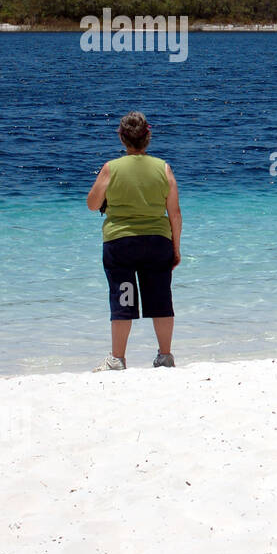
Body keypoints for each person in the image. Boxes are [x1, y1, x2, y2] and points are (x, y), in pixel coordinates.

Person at [85, 111, 182, 370]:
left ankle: (117, 358)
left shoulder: (111, 168)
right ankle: (165, 356)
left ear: (122, 138)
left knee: (122, 298)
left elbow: (93, 205)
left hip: (120, 243)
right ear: (147, 137)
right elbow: (174, 212)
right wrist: (176, 249)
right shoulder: (163, 168)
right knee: (160, 299)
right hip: (157, 242)